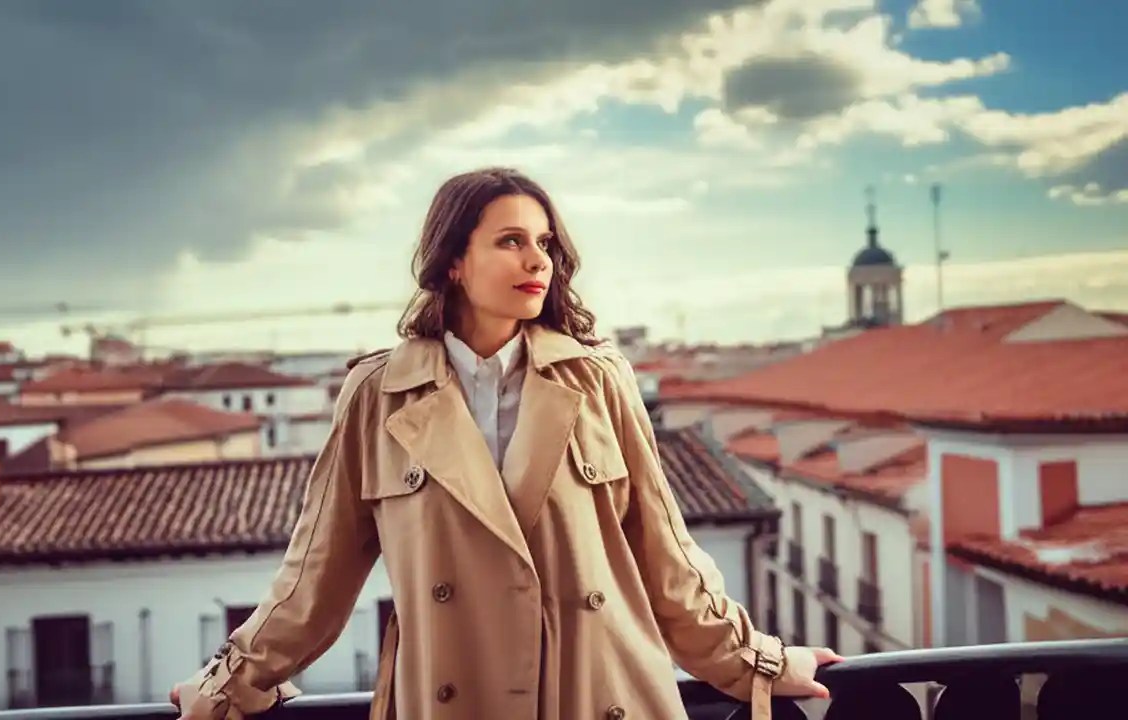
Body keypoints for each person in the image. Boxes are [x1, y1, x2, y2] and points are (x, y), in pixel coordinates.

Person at [170, 167, 842, 720]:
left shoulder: (597, 379)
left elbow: (666, 556)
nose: (537, 261)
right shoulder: (378, 393)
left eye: (546, 243)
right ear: (454, 261)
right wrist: (227, 684)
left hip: (597, 698)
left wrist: (759, 660)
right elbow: (316, 573)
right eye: (511, 241)